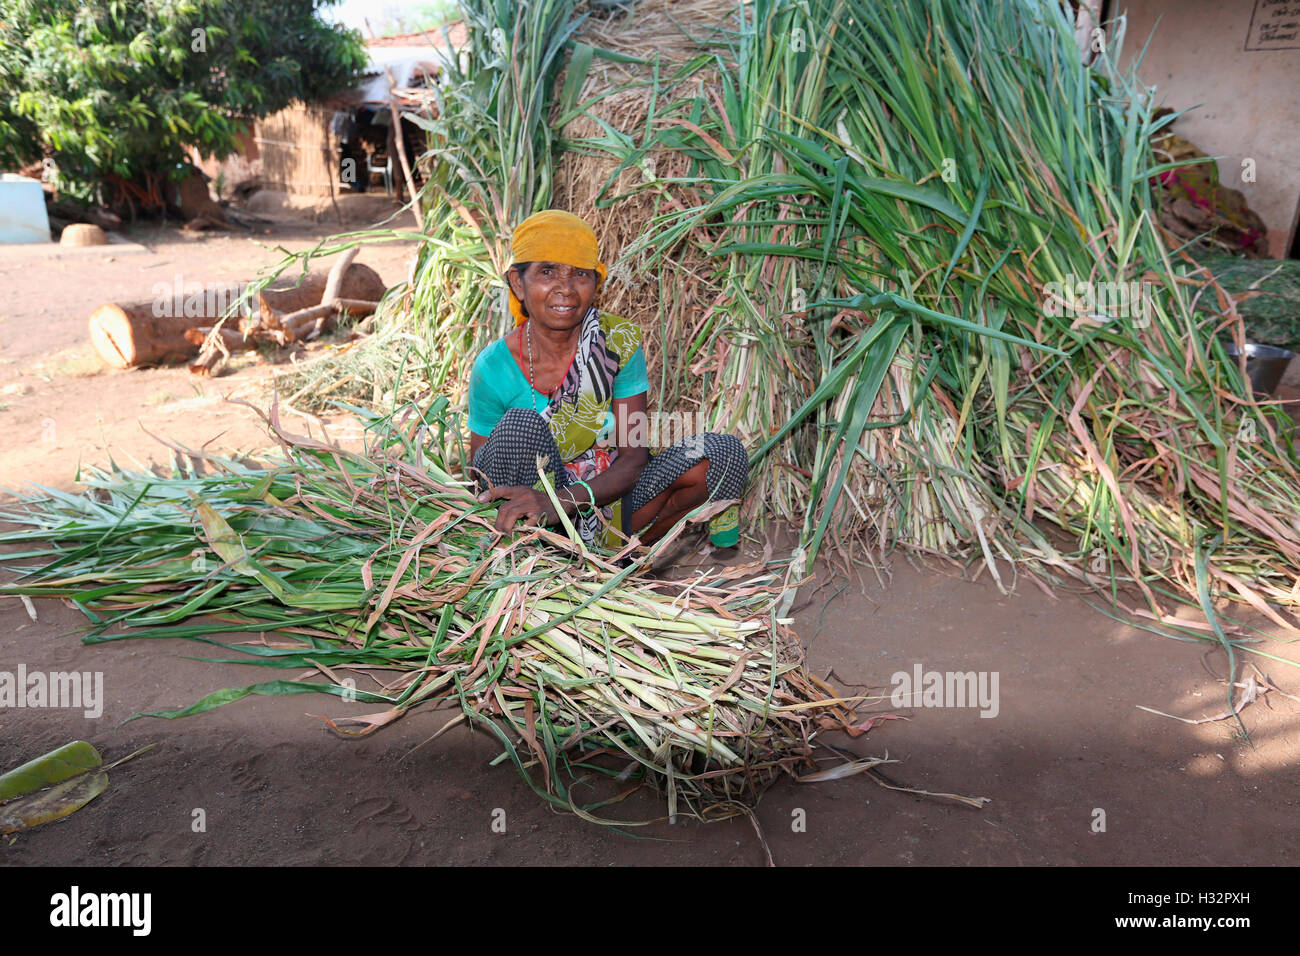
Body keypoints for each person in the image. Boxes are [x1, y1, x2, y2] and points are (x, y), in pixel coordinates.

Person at [466, 209, 748, 552]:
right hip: (531, 522)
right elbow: (483, 481)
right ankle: (544, 559)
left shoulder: (614, 345)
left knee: (722, 452)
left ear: (595, 285)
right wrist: (543, 504)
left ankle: (624, 553)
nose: (565, 288)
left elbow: (633, 457)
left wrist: (564, 500)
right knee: (520, 426)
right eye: (547, 271)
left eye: (580, 274)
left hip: (604, 502)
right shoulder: (494, 368)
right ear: (517, 283)